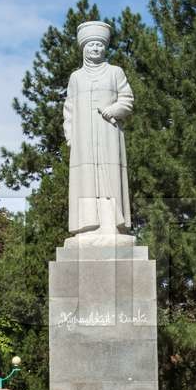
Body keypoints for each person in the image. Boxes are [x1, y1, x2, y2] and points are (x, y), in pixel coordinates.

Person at [63, 20, 135, 242]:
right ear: (84, 48)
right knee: (85, 181)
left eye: (99, 45)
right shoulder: (76, 77)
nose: (96, 49)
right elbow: (69, 108)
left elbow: (127, 99)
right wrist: (70, 137)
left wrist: (113, 109)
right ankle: (87, 226)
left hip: (108, 135)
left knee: (110, 178)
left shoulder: (115, 72)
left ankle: (112, 225)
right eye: (91, 45)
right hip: (83, 140)